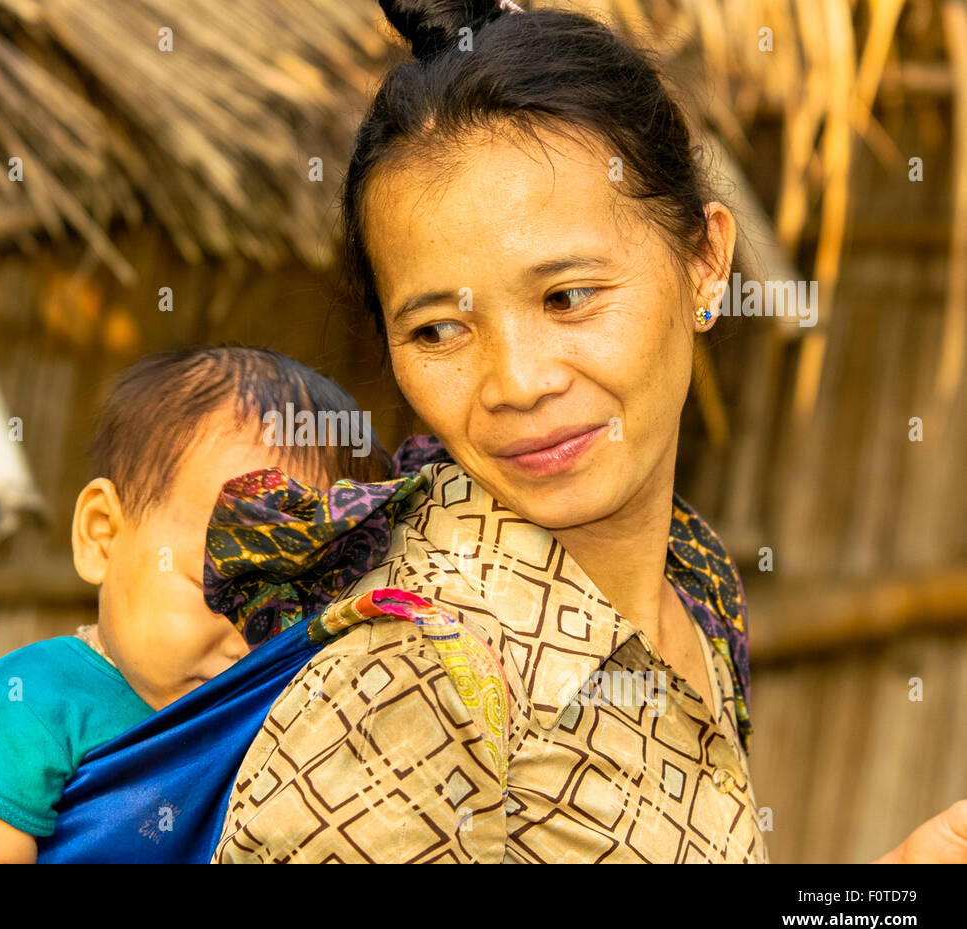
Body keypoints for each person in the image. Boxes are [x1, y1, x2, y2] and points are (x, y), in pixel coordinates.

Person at [207, 0, 967, 862]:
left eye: (568, 297)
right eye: (438, 330)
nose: (517, 384)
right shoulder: (413, 686)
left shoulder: (694, 587)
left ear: (705, 261)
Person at [0, 346, 391, 863]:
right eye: (220, 589)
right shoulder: (26, 702)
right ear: (102, 535)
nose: (247, 642)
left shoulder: (287, 718)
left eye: (294, 609)